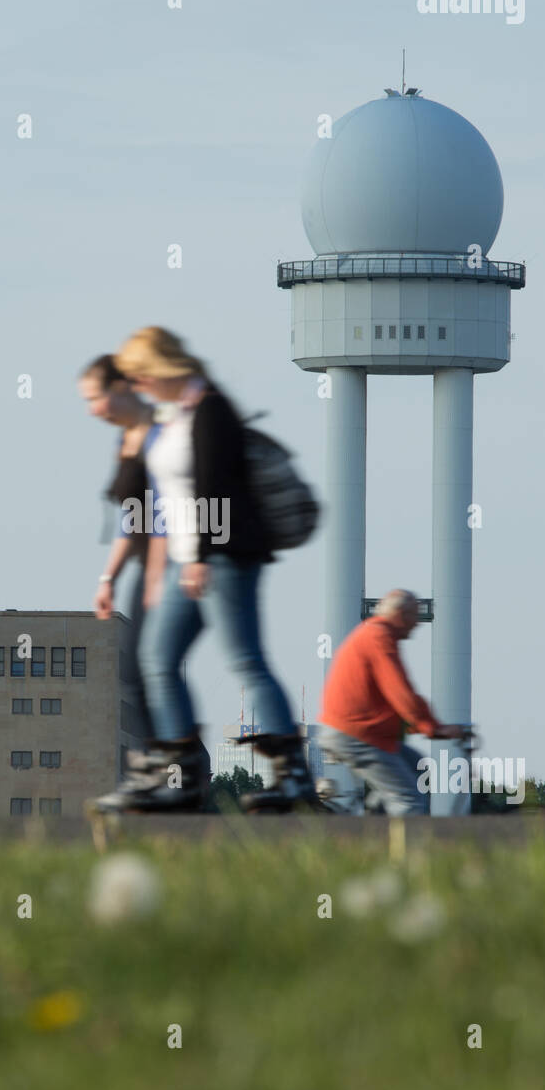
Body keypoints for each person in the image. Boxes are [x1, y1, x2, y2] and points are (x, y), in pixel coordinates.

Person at [93, 326, 318, 814]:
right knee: (156, 659)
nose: (134, 385)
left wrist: (197, 556)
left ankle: (292, 774)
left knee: (245, 660)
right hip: (185, 558)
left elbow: (214, 487)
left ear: (156, 369)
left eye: (137, 375)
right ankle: (180, 776)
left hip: (223, 557)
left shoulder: (211, 408)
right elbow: (160, 498)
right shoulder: (175, 415)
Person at [318, 589, 464, 815]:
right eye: (414, 616)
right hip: (356, 734)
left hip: (364, 733)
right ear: (399, 614)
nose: (417, 623)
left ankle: (374, 824)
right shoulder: (379, 638)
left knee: (417, 768)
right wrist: (432, 727)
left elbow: (398, 696)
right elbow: (400, 691)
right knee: (409, 801)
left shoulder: (374, 634)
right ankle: (398, 849)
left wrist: (423, 723)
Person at [77, 354, 157, 748]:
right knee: (146, 667)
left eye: (97, 398)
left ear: (122, 388)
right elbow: (132, 522)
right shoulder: (125, 441)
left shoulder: (164, 433)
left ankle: (173, 766)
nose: (93, 410)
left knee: (151, 665)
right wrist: (108, 580)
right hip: (157, 569)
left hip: (186, 566)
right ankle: (169, 765)